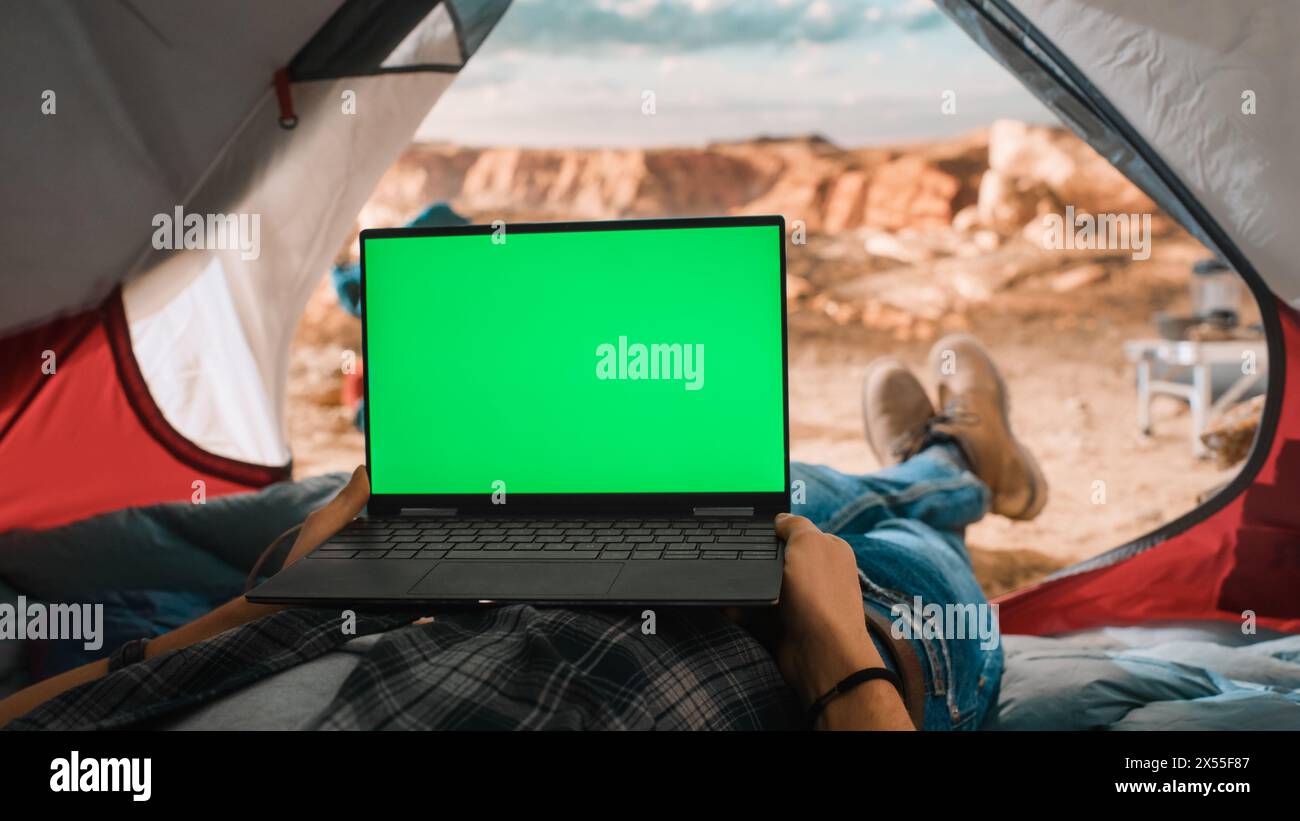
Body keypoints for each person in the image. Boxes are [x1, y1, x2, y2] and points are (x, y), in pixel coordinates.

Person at [0, 334, 1045, 731]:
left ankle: (936, 462)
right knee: (875, 544)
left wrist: (252, 607)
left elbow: (84, 700)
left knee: (782, 489)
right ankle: (949, 468)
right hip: (827, 651)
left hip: (424, 600)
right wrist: (836, 655)